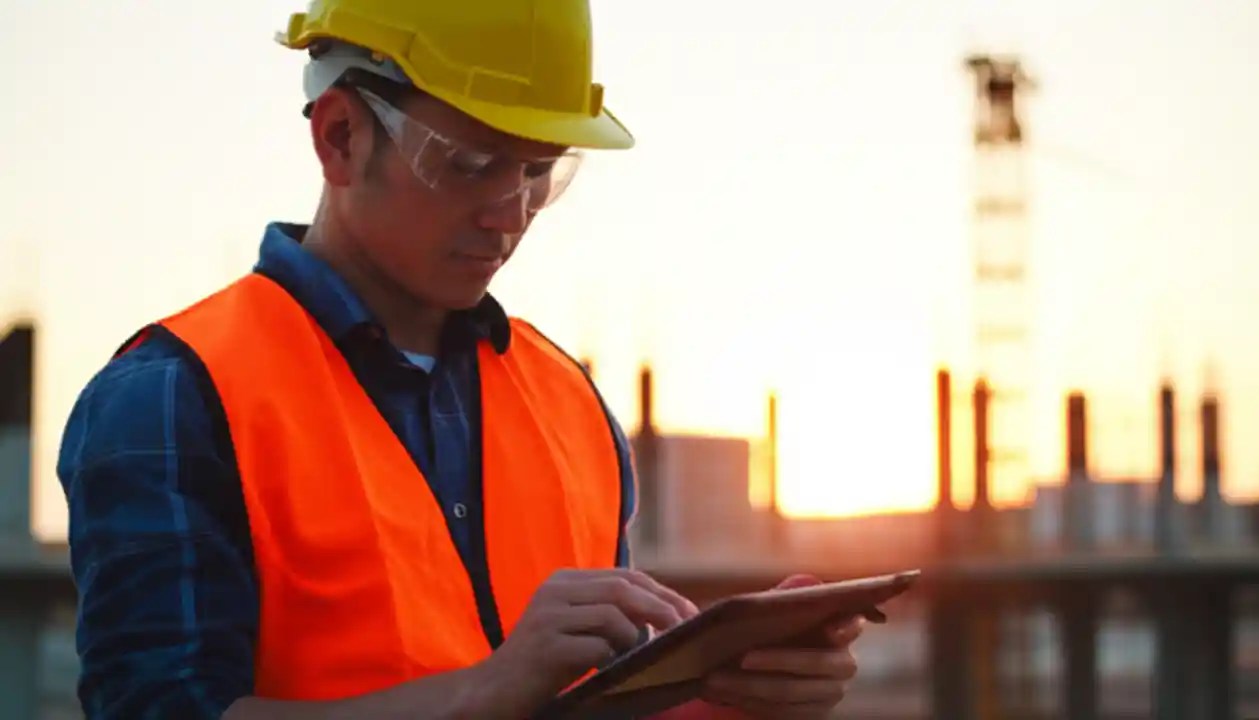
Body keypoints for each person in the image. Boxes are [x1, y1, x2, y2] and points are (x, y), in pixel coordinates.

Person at [56, 2, 865, 718]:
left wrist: (732, 697)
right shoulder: (174, 394)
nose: (509, 213)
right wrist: (484, 693)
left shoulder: (569, 404)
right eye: (471, 164)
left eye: (540, 169)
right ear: (340, 136)